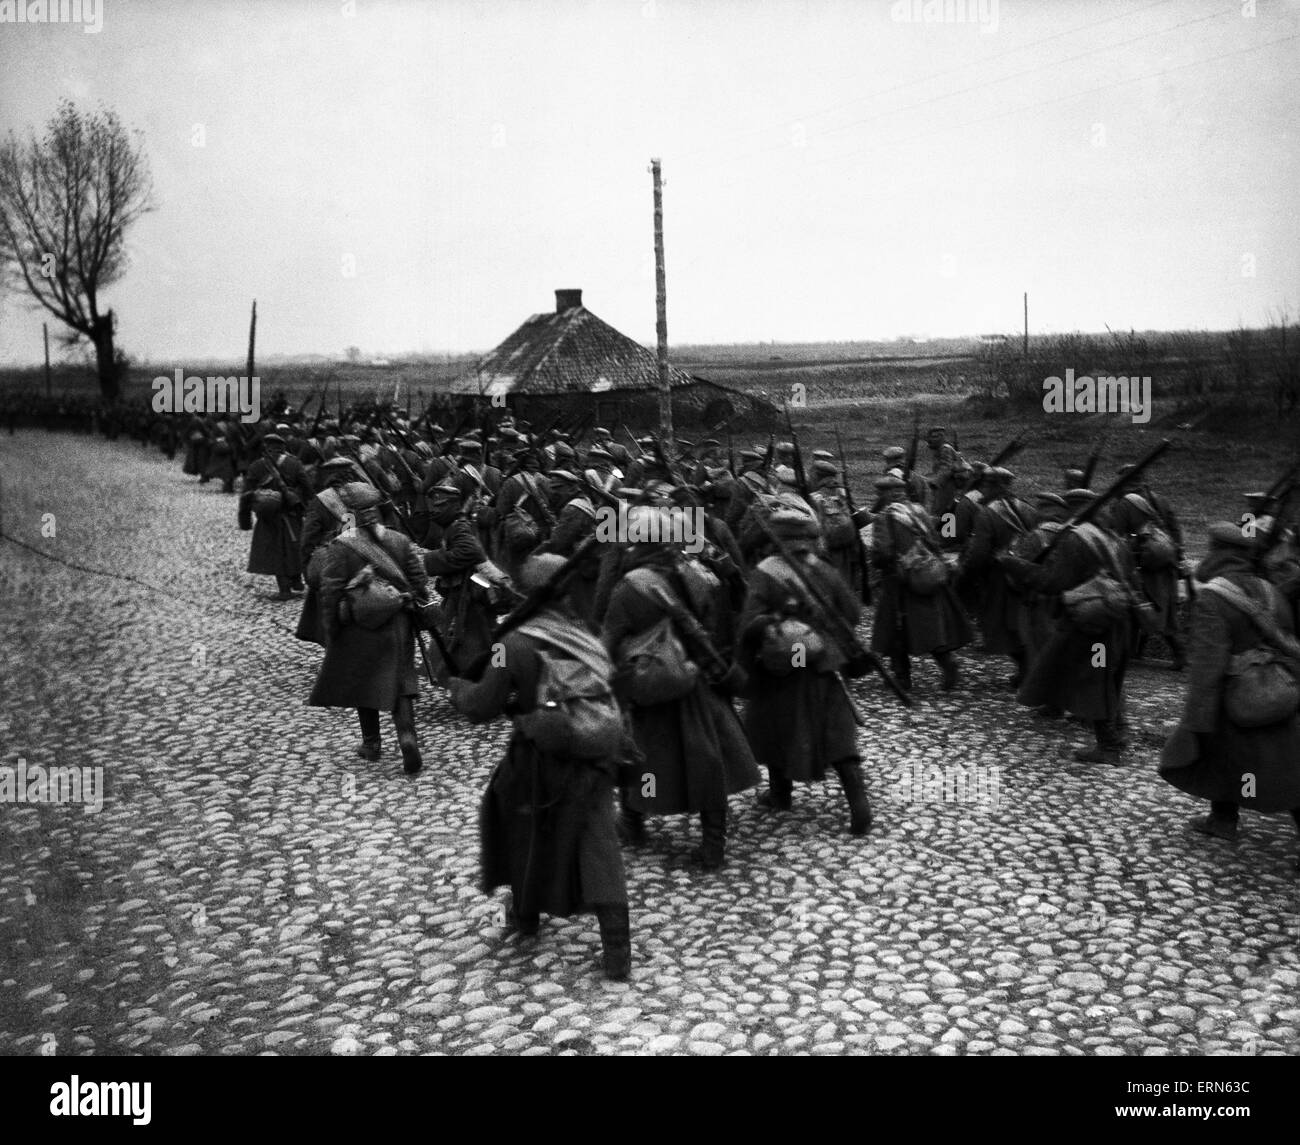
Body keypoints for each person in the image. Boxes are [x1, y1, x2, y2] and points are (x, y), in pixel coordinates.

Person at [448, 554, 632, 980]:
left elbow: (482, 706)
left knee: (514, 821)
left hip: (538, 757)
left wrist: (457, 689)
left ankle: (526, 914)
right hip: (595, 753)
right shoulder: (587, 636)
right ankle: (617, 948)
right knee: (597, 842)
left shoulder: (510, 644)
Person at [602, 506, 759, 869]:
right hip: (699, 681)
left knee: (640, 758)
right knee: (708, 762)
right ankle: (713, 843)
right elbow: (720, 623)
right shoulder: (699, 573)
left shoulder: (631, 586)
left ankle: (634, 822)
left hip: (652, 684)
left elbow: (609, 640)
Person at [1159, 523, 1300, 866]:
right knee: (1231, 759)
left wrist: (1197, 718)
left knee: (1281, 771)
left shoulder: (1212, 598)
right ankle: (1222, 819)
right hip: (1277, 690)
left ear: (1219, 553)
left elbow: (1208, 664)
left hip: (1235, 697)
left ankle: (1224, 820)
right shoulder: (1270, 590)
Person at [737, 500, 872, 835]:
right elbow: (853, 614)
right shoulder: (825, 568)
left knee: (774, 728)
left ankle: (781, 795)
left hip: (784, 665)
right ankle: (859, 805)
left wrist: (774, 623)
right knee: (839, 736)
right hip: (827, 663)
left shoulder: (766, 572)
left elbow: (749, 624)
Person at [998, 491, 1135, 764]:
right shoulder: (1112, 538)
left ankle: (1108, 745)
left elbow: (1054, 582)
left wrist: (1016, 566)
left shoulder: (1077, 538)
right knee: (1106, 674)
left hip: (1091, 623)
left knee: (1094, 676)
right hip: (1116, 619)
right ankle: (1118, 732)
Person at [308, 483, 430, 774]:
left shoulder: (341, 546)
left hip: (359, 627)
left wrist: (332, 628)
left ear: (351, 514)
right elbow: (420, 580)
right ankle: (407, 737)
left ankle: (371, 744)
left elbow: (330, 591)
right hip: (399, 621)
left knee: (365, 680)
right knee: (401, 684)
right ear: (377, 512)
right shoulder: (399, 540)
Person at [869, 475, 969, 691]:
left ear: (885, 494)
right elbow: (935, 539)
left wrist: (875, 561)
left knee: (895, 629)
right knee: (930, 627)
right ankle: (947, 663)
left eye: (880, 493)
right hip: (927, 572)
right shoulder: (919, 510)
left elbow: (883, 552)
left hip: (899, 581)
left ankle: (902, 677)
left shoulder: (884, 517)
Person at [238, 432, 313, 599]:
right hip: (292, 514)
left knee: (276, 551)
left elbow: (246, 494)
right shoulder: (295, 464)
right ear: (283, 448)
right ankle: (296, 579)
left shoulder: (257, 466)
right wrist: (309, 508)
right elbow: (307, 487)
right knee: (294, 547)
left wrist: (245, 520)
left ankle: (285, 589)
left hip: (268, 516)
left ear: (266, 447)